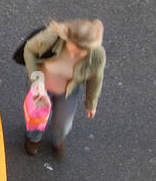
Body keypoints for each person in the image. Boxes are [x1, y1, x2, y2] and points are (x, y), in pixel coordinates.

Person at [21, 19, 105, 160]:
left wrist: (91, 103)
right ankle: (33, 139)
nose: (74, 55)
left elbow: (96, 78)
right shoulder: (51, 38)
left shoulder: (97, 55)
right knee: (36, 117)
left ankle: (57, 139)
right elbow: (29, 50)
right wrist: (36, 82)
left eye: (81, 53)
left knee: (64, 122)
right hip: (41, 86)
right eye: (74, 48)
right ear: (68, 38)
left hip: (68, 91)